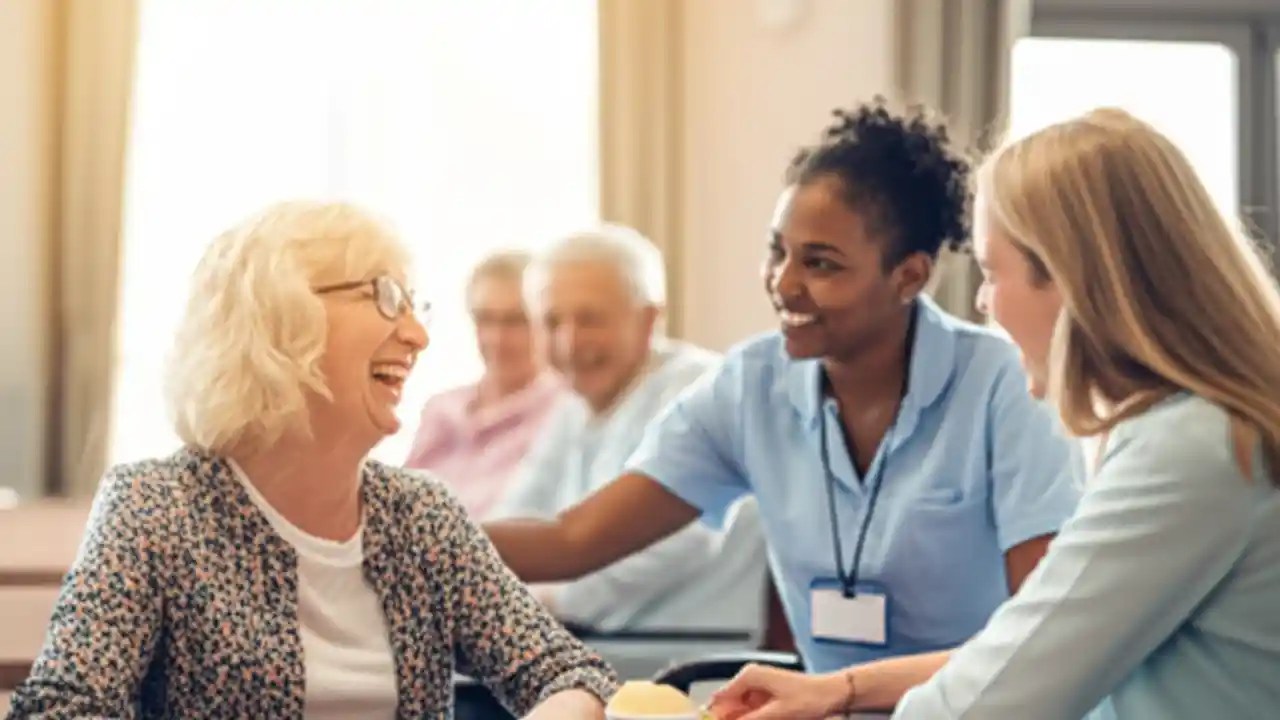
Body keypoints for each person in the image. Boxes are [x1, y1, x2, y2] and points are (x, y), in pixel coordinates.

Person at [705, 108, 1280, 720]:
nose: (982, 303)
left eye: (989, 273)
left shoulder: (1190, 449)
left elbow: (996, 701)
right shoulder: (1205, 429)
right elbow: (1033, 647)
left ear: (1071, 281)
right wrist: (841, 690)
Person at [484, 100, 1083, 675]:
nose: (784, 283)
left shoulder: (1003, 389)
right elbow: (574, 539)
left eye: (821, 264)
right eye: (778, 252)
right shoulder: (751, 386)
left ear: (909, 276)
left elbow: (1041, 635)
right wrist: (414, 528)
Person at [7, 201, 616, 719]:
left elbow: (569, 674)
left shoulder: (421, 516)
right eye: (384, 297)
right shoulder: (154, 508)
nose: (417, 335)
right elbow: (63, 707)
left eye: (413, 304)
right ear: (277, 319)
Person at [490, 224, 767, 648]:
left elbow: (678, 542)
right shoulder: (571, 407)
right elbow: (519, 515)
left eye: (590, 319)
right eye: (551, 322)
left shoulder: (700, 391)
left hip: (690, 656)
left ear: (649, 319)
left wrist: (547, 601)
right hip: (591, 647)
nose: (569, 342)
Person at [405, 249, 563, 518]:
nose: (496, 338)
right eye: (485, 319)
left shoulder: (563, 413)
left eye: (515, 321)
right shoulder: (441, 410)